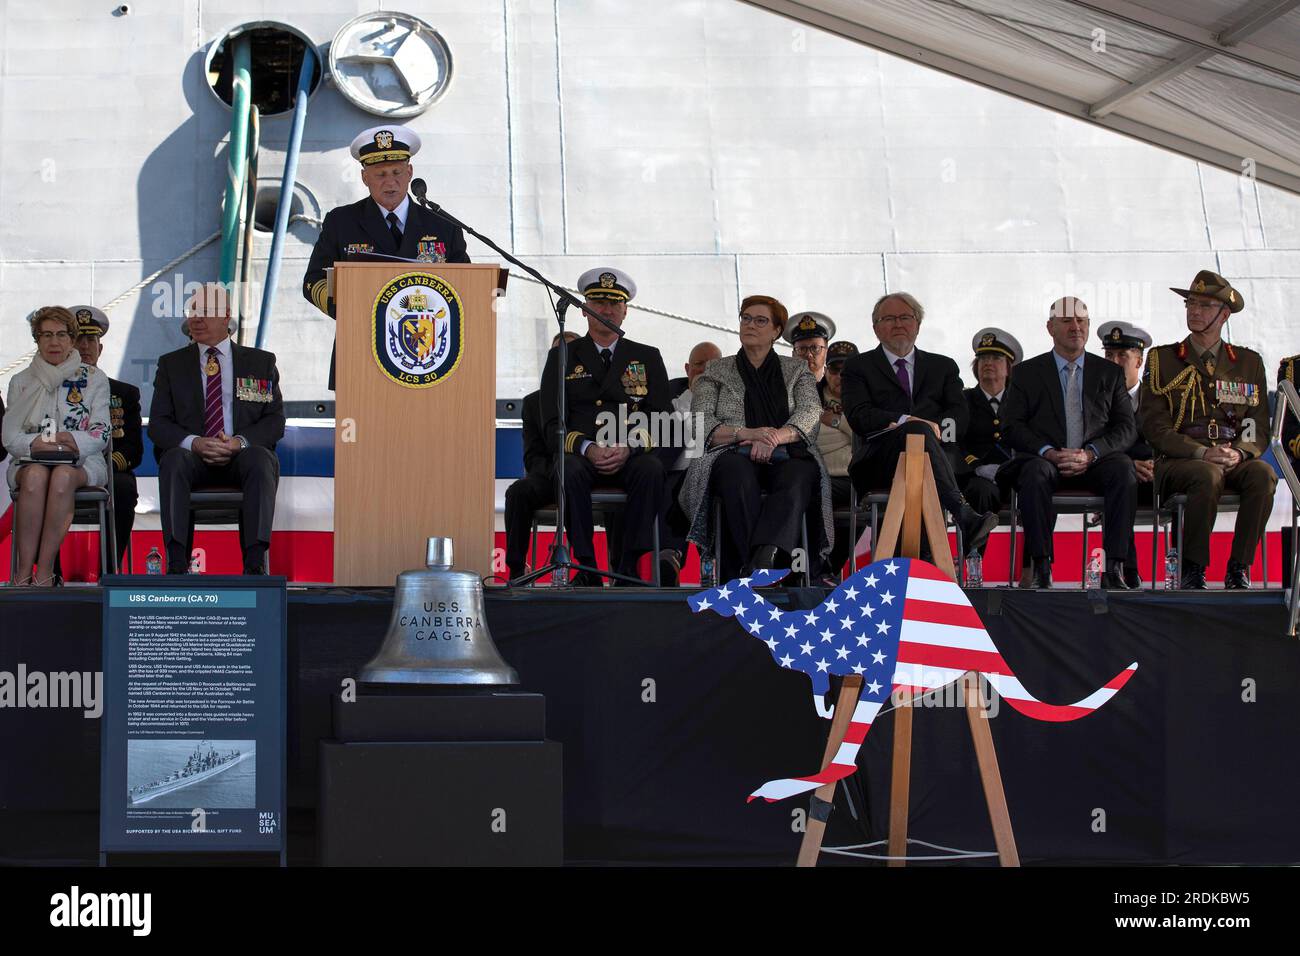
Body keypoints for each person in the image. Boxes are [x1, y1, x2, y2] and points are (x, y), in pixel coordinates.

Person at [302, 125, 470, 389]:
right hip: (361, 349)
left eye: (396, 172)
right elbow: (313, 282)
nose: (389, 182)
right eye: (380, 174)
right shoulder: (342, 222)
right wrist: (352, 313)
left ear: (410, 173)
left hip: (430, 356)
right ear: (364, 177)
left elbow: (467, 287)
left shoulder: (443, 225)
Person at [678, 295, 832, 581]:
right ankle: (759, 564)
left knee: (799, 474)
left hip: (787, 451)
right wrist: (745, 434)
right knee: (735, 472)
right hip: (730, 453)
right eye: (746, 318)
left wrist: (773, 438)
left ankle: (764, 555)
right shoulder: (715, 370)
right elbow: (700, 423)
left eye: (760, 320)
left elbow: (811, 412)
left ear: (776, 331)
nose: (750, 325)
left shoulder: (796, 370)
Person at [1141, 271, 1275, 589]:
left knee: (1262, 474)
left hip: (1231, 455)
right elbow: (1153, 425)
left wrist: (1239, 452)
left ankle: (1239, 567)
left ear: (1223, 314)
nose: (1194, 311)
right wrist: (1201, 451)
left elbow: (1257, 423)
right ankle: (1193, 569)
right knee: (1206, 474)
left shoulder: (1248, 362)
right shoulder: (1163, 359)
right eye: (1190, 303)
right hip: (1180, 461)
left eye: (1203, 305)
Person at [839, 292, 998, 559]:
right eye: (889, 318)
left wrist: (932, 429)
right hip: (881, 460)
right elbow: (859, 415)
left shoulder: (942, 366)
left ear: (918, 324)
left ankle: (928, 565)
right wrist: (906, 423)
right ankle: (963, 515)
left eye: (905, 317)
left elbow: (959, 415)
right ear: (876, 328)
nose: (898, 323)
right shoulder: (858, 367)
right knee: (916, 432)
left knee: (922, 441)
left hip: (939, 458)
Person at [537, 268, 671, 586]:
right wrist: (589, 447)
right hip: (583, 455)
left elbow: (662, 417)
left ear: (625, 311)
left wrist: (630, 447)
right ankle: (587, 566)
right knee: (568, 470)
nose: (607, 310)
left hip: (629, 453)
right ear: (584, 309)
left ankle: (626, 566)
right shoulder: (563, 357)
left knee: (651, 469)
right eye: (598, 303)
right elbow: (552, 422)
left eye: (614, 304)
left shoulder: (647, 357)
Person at [148, 284, 285, 575]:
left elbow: (274, 421)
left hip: (241, 456)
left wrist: (238, 442)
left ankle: (254, 563)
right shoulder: (171, 364)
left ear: (225, 316)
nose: (196, 319)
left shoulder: (260, 363)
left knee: (260, 459)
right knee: (173, 459)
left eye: (205, 312)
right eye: (192, 312)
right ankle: (176, 562)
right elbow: (159, 424)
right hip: (193, 459)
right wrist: (194, 443)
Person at [1001, 297, 1136, 590]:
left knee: (1124, 469)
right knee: (1033, 473)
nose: (1076, 327)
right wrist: (1047, 452)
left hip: (1094, 461)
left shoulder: (1109, 373)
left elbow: (1126, 428)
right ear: (1050, 328)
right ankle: (1041, 566)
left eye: (1082, 321)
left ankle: (1114, 568)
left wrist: (1091, 454)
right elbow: (1011, 427)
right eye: (1066, 321)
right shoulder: (1026, 373)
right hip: (1047, 460)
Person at [3, 306, 110, 585]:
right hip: (29, 461)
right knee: (37, 476)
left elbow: (101, 433)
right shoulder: (21, 381)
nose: (54, 342)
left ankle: (46, 571)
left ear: (71, 339)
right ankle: (23, 571)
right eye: (46, 335)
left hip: (82, 461)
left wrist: (72, 441)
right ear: (36, 339)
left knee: (62, 477)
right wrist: (36, 443)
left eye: (61, 335)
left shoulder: (94, 378)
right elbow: (10, 436)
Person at [503, 330, 579, 581]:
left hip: (591, 476)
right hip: (549, 476)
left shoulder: (596, 399)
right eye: (557, 355)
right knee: (518, 492)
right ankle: (516, 570)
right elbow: (532, 456)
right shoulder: (533, 402)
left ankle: (611, 569)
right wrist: (557, 472)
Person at [70, 306, 142, 568]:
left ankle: (110, 571)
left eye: (91, 340)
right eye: (78, 339)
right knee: (45, 485)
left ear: (100, 348)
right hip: (64, 467)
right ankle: (50, 575)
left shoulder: (124, 393)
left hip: (109, 468)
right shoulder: (52, 389)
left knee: (123, 487)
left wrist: (104, 468)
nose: (85, 346)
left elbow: (134, 450)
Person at [658, 341, 722, 585]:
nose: (705, 372)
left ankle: (703, 558)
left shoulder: (735, 396)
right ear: (687, 369)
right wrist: (694, 396)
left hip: (718, 471)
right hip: (675, 472)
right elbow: (671, 431)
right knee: (671, 482)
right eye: (699, 365)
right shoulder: (669, 395)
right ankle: (669, 559)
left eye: (713, 367)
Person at [955, 328, 1022, 554]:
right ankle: (973, 559)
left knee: (1037, 486)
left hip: (1014, 474)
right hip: (976, 476)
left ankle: (1034, 567)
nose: (988, 363)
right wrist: (976, 466)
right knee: (980, 491)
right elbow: (953, 442)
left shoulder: (1022, 400)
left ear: (1009, 367)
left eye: (996, 358)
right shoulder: (963, 400)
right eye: (983, 358)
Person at [1099, 320, 1154, 588]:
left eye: (1123, 355)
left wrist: (1157, 464)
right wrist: (1130, 463)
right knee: (1121, 480)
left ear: (1139, 361)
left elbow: (1168, 436)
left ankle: (1126, 569)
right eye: (1109, 355)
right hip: (1119, 474)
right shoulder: (1096, 399)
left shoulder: (1156, 398)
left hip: (1153, 477)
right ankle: (1122, 568)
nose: (1114, 361)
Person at [816, 340, 858, 579]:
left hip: (855, 477)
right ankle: (817, 570)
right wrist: (848, 434)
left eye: (847, 370)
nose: (840, 376)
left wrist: (835, 421)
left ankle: (829, 570)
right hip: (818, 474)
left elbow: (866, 437)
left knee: (861, 498)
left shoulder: (867, 398)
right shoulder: (809, 395)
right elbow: (811, 440)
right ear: (826, 371)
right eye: (834, 369)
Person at [786, 312, 835, 386]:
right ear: (793, 355)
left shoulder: (837, 386)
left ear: (826, 352)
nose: (809, 354)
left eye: (815, 348)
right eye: (802, 349)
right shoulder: (782, 387)